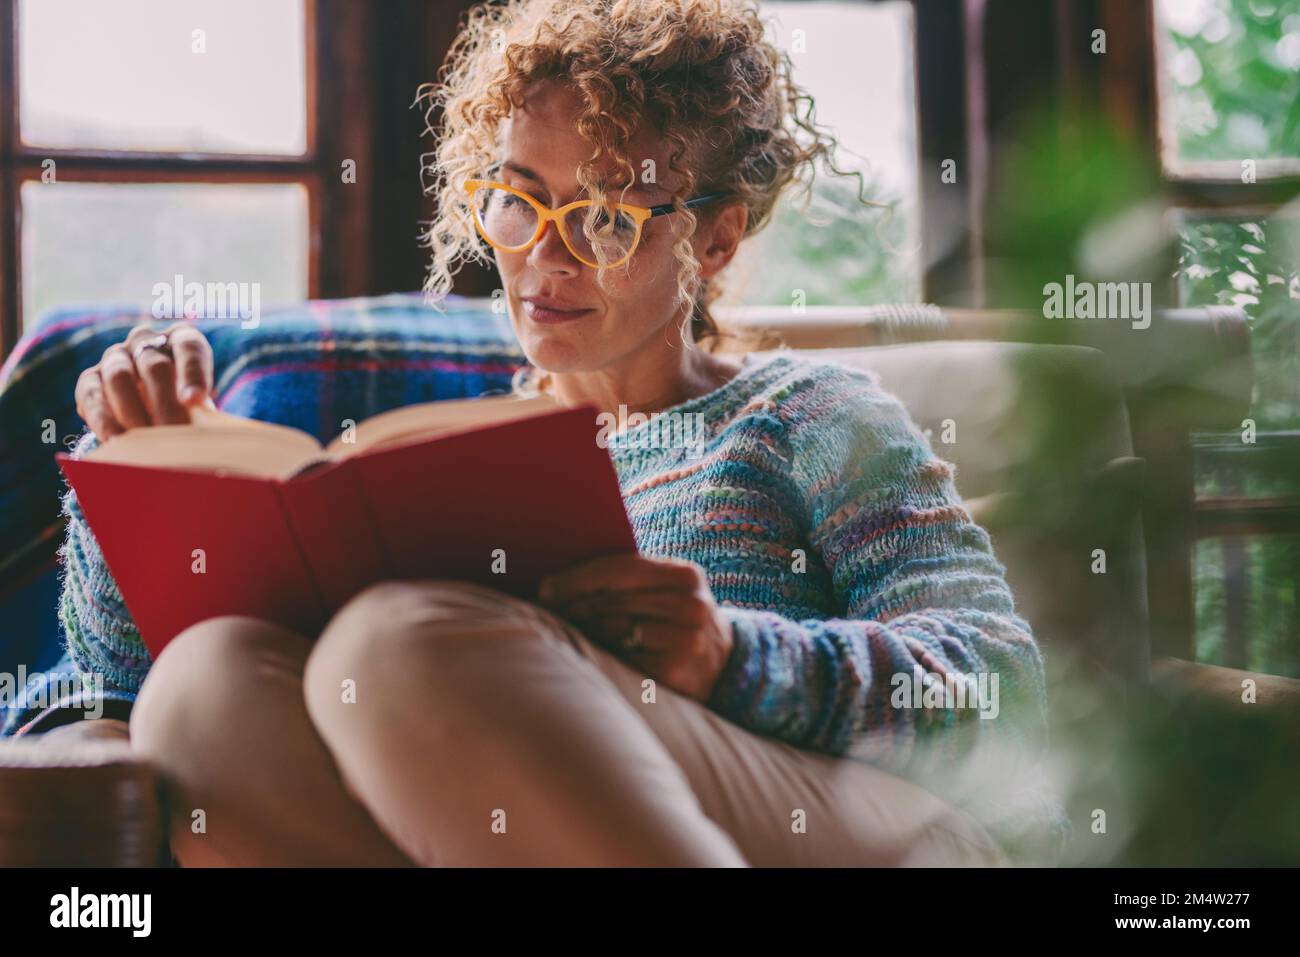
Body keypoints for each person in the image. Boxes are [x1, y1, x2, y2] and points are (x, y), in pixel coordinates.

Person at [46, 0, 1067, 866]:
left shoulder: (808, 416)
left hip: (854, 824)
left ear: (714, 237)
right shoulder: (444, 455)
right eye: (517, 206)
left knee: (405, 643)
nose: (547, 259)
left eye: (608, 220)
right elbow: (116, 695)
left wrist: (730, 656)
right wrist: (142, 454)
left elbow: (999, 684)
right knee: (201, 689)